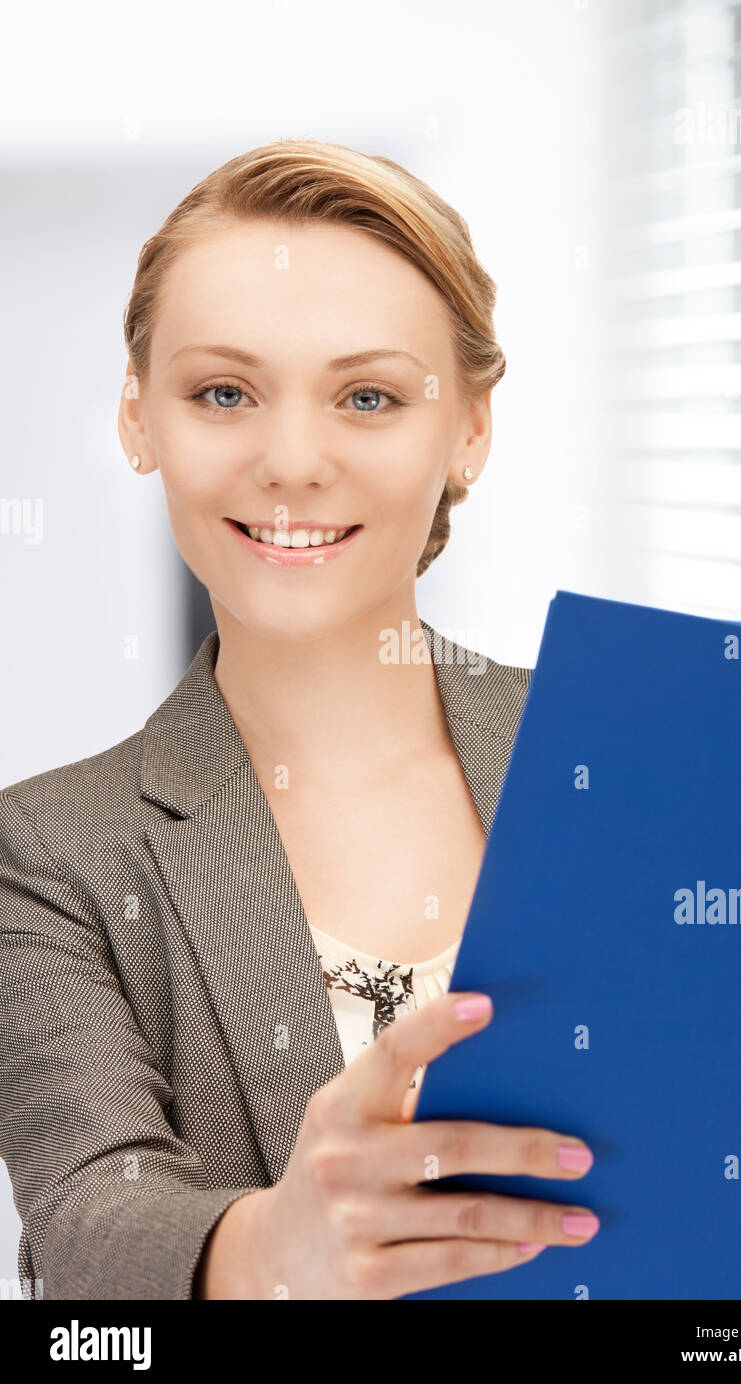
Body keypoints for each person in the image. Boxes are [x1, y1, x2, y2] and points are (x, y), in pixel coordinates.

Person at [0, 138, 598, 1300]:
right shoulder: (47, 854)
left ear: (469, 426)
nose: (289, 462)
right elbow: (86, 1218)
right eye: (223, 392)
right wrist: (277, 1249)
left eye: (366, 396)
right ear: (138, 418)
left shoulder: (616, 759)